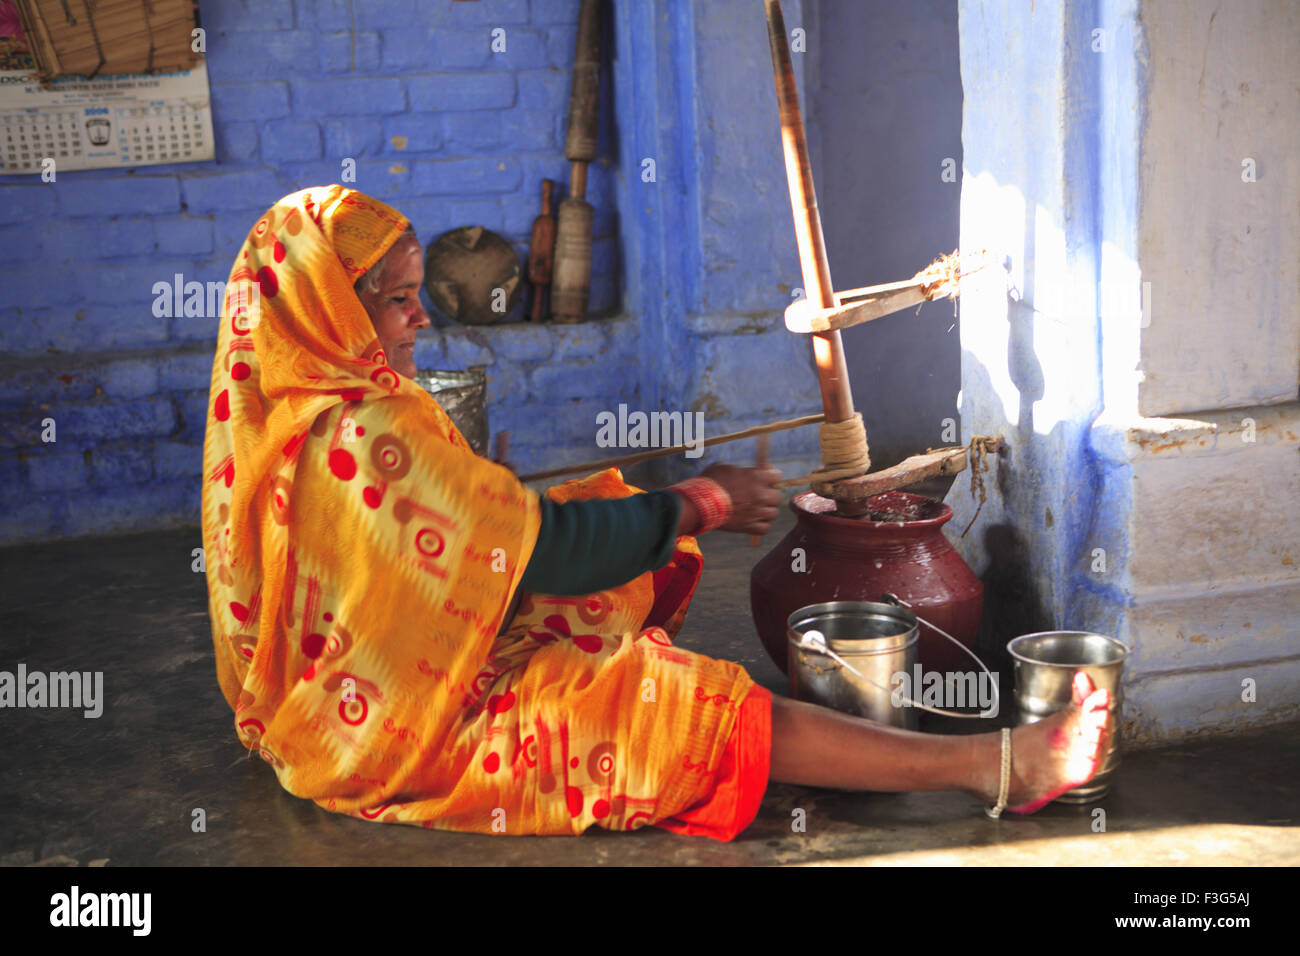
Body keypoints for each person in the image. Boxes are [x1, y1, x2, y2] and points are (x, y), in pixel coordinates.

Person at [203, 186, 1113, 840]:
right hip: (393, 732)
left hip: (334, 693)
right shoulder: (370, 425)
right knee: (682, 705)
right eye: (397, 300)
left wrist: (642, 506)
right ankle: (994, 765)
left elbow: (444, 547)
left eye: (416, 294)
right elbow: (546, 554)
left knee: (604, 557)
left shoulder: (277, 405)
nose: (419, 321)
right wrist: (703, 501)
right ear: (328, 302)